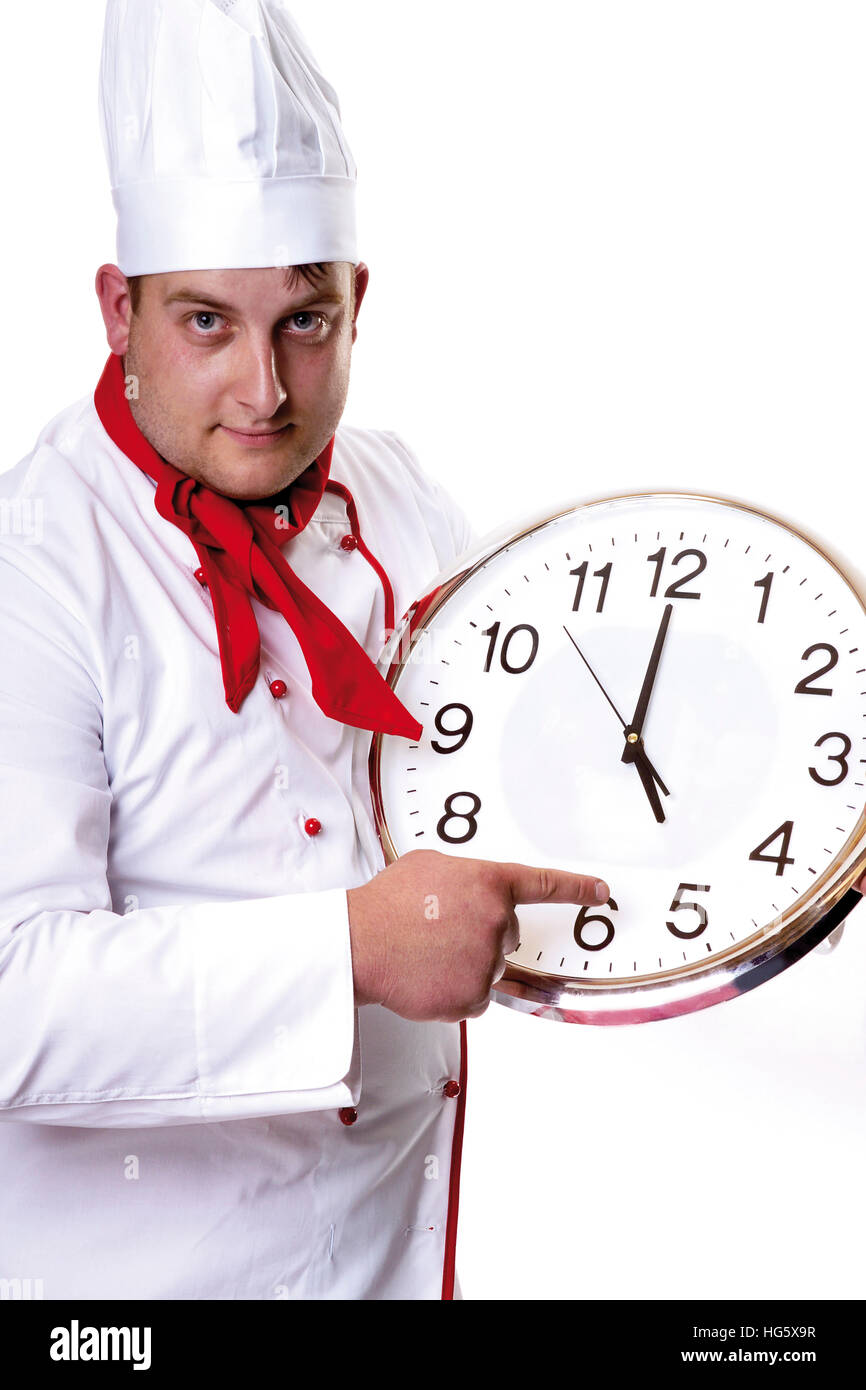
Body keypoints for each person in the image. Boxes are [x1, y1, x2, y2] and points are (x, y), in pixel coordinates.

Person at [0, 0, 610, 1300]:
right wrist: (347, 948)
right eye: (206, 323)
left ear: (357, 300)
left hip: (393, 1252)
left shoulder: (400, 499)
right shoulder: (31, 564)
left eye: (306, 321)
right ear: (118, 307)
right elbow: (9, 996)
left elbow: (509, 773)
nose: (265, 394)